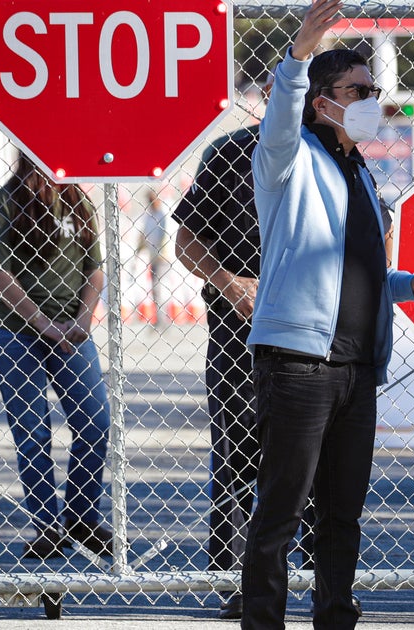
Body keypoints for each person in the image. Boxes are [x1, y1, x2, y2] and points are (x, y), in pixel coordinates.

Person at [238, 1, 414, 627]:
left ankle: (335, 616)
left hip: (354, 368)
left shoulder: (362, 174)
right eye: (360, 90)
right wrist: (299, 53)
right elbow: (277, 127)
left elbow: (363, 272)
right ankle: (264, 620)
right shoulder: (288, 163)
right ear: (323, 100)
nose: (375, 100)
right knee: (281, 514)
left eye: (376, 90)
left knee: (343, 515)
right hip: (299, 364)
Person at [0, 153, 114, 560]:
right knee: (34, 430)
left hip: (71, 330)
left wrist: (82, 318)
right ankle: (47, 526)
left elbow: (95, 268)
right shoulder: (8, 200)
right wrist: (44, 324)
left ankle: (81, 517)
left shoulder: (78, 199)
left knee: (95, 423)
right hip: (15, 332)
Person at [173, 79, 265, 620]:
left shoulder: (331, 150)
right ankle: (232, 578)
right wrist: (229, 281)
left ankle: (315, 572)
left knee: (313, 456)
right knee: (235, 453)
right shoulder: (230, 152)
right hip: (237, 332)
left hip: (312, 332)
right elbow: (186, 239)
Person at [136, 188, 174, 327]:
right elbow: (144, 235)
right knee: (156, 288)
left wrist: (161, 252)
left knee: (160, 287)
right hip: (154, 257)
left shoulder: (163, 215)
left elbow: (164, 236)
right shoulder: (149, 216)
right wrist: (139, 250)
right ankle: (160, 318)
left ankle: (163, 319)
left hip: (163, 257)